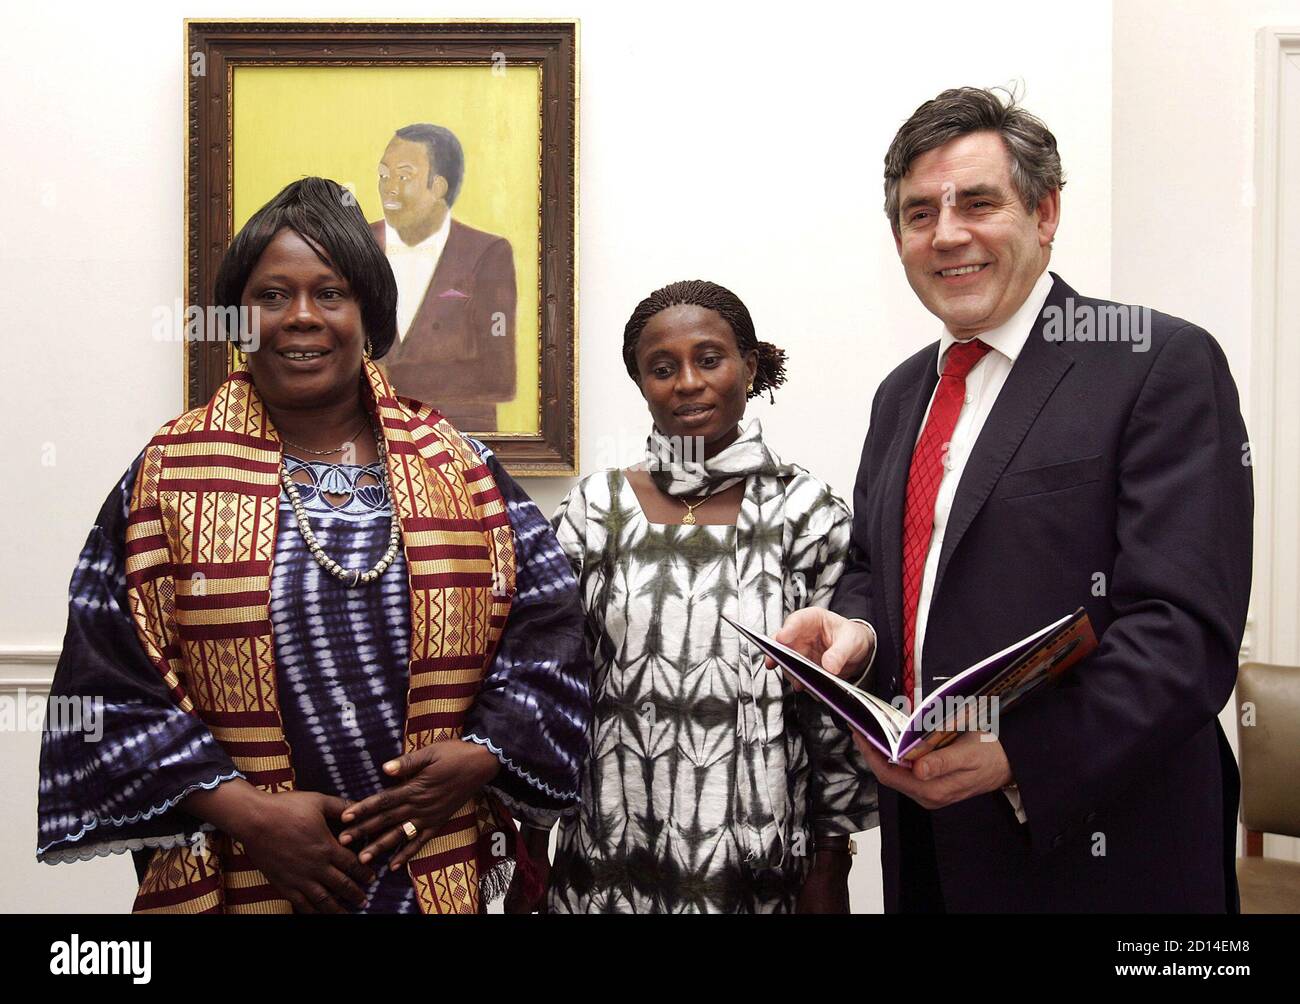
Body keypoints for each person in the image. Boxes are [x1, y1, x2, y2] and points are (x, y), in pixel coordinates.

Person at [36, 177, 589, 914]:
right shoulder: (167, 476)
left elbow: (549, 633)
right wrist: (248, 814)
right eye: (271, 296)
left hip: (436, 869)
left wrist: (480, 755)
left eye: (330, 293)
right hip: (242, 874)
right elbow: (109, 680)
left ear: (370, 316)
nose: (301, 317)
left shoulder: (461, 467)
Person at [776, 86, 1252, 913]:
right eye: (919, 213)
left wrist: (1019, 754)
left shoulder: (1155, 362)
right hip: (927, 846)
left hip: (1101, 854)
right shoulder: (901, 395)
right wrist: (854, 630)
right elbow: (878, 569)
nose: (947, 233)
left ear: (1045, 212)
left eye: (978, 202)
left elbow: (1184, 633)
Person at [510, 280, 877, 914]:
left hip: (756, 859)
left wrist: (830, 861)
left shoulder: (807, 513)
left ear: (749, 365)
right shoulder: (594, 512)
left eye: (709, 359)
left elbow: (831, 711)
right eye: (662, 368)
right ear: (641, 383)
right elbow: (554, 685)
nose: (687, 382)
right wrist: (534, 848)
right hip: (607, 850)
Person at [372, 123, 517, 432]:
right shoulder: (356, 243)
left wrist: (390, 376)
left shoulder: (487, 253)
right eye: (384, 175)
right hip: (370, 440)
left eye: (403, 176)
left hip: (461, 444)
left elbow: (499, 377)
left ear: (438, 187)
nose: (389, 188)